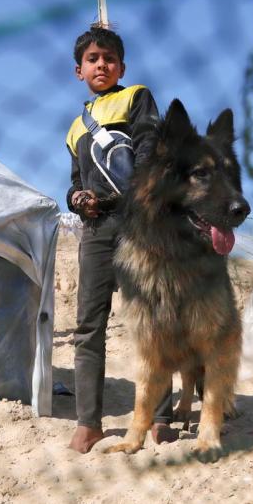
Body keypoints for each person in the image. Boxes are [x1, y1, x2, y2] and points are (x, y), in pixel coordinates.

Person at [65, 26, 176, 454]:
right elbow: (74, 182)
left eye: (109, 59)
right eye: (93, 59)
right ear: (79, 71)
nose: (101, 65)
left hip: (137, 222)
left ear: (122, 67)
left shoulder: (137, 97)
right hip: (95, 231)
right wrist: (78, 199)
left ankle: (160, 417)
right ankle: (88, 423)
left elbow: (149, 147)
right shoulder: (75, 128)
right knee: (88, 326)